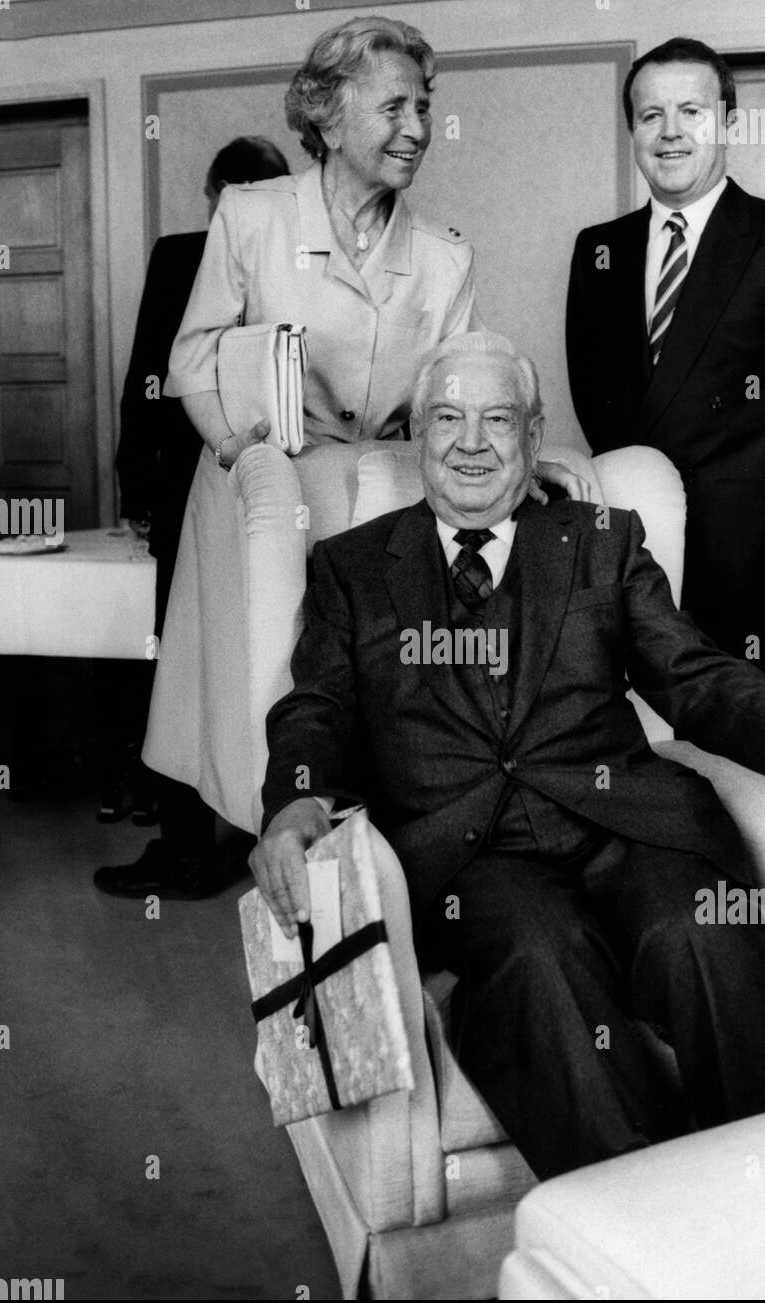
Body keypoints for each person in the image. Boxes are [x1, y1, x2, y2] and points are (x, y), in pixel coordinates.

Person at [251, 331, 765, 1180]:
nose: (470, 442)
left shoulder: (601, 539)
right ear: (418, 433)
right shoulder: (354, 569)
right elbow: (315, 707)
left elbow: (689, 670)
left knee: (699, 936)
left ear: (533, 438)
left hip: (630, 825)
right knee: (540, 959)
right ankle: (628, 1230)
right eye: (448, 418)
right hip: (474, 859)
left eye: (497, 419)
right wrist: (296, 801)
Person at [97, 14, 584, 900]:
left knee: (349, 688)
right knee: (246, 697)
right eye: (394, 105)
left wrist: (529, 449)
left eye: (426, 107)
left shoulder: (443, 256)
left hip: (367, 494)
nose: (419, 127)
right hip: (257, 492)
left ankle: (351, 860)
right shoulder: (252, 216)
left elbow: (464, 378)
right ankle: (250, 849)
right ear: (327, 114)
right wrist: (238, 448)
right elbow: (193, 359)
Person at [566, 36, 765, 676]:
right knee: (637, 732)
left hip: (739, 546)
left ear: (725, 121)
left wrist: (761, 491)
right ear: (633, 130)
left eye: (690, 112)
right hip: (627, 542)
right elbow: (593, 392)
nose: (670, 133)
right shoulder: (597, 250)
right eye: (650, 116)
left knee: (735, 730)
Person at [93, 137, 290, 890]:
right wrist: (137, 484)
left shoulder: (290, 258)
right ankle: (185, 844)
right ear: (215, 199)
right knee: (184, 665)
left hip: (276, 489)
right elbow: (151, 371)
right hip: (193, 485)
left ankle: (243, 835)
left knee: (260, 662)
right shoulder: (182, 253)